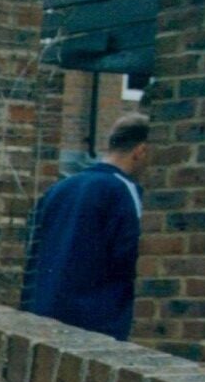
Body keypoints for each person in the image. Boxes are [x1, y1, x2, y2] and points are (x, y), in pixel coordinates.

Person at [21, 112, 150, 341]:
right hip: (99, 326)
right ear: (140, 151)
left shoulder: (59, 188)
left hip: (44, 318)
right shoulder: (125, 192)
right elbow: (136, 260)